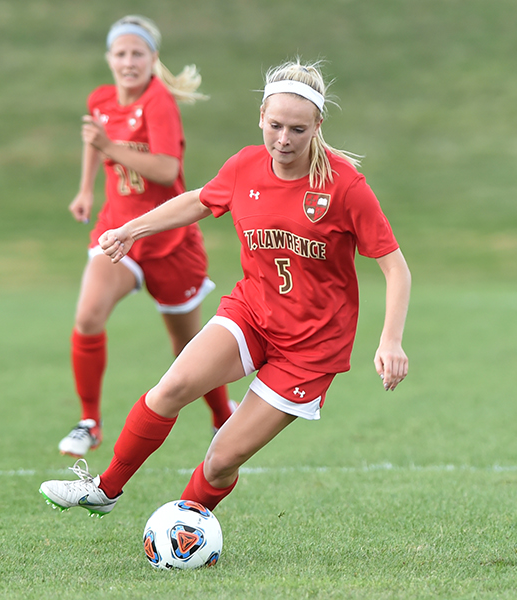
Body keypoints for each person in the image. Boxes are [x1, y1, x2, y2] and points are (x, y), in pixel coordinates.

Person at [40, 58, 411, 516]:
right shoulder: (245, 166)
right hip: (251, 314)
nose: (283, 139)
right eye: (275, 125)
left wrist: (390, 341)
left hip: (310, 348)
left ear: (318, 126)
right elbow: (197, 201)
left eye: (298, 129)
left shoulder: (345, 186)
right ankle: (104, 489)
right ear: (261, 117)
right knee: (171, 388)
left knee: (220, 462)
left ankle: (184, 524)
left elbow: (396, 268)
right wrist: (131, 230)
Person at [58, 15, 234, 459]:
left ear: (153, 58)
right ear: (109, 58)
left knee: (188, 348)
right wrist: (85, 189)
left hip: (169, 242)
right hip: (118, 233)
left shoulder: (158, 103)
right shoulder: (100, 99)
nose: (128, 61)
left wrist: (109, 147)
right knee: (88, 316)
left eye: (137, 53)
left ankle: (222, 416)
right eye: (120, 53)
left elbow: (166, 169)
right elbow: (93, 139)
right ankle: (89, 422)